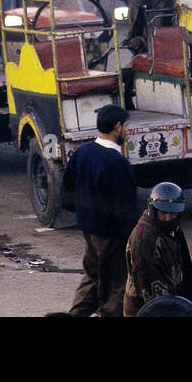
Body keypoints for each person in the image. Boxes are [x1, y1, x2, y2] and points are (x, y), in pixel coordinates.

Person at [61, 104, 138, 317]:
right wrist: (132, 237)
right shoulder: (117, 162)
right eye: (126, 126)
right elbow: (126, 207)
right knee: (115, 285)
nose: (127, 131)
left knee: (92, 278)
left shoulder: (83, 152)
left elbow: (66, 192)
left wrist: (83, 214)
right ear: (117, 126)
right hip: (111, 235)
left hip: (88, 230)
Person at [124, 182, 192, 316]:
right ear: (153, 210)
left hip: (171, 300)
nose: (168, 218)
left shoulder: (173, 229)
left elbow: (187, 269)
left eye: (173, 214)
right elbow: (155, 298)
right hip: (147, 310)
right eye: (163, 213)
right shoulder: (144, 241)